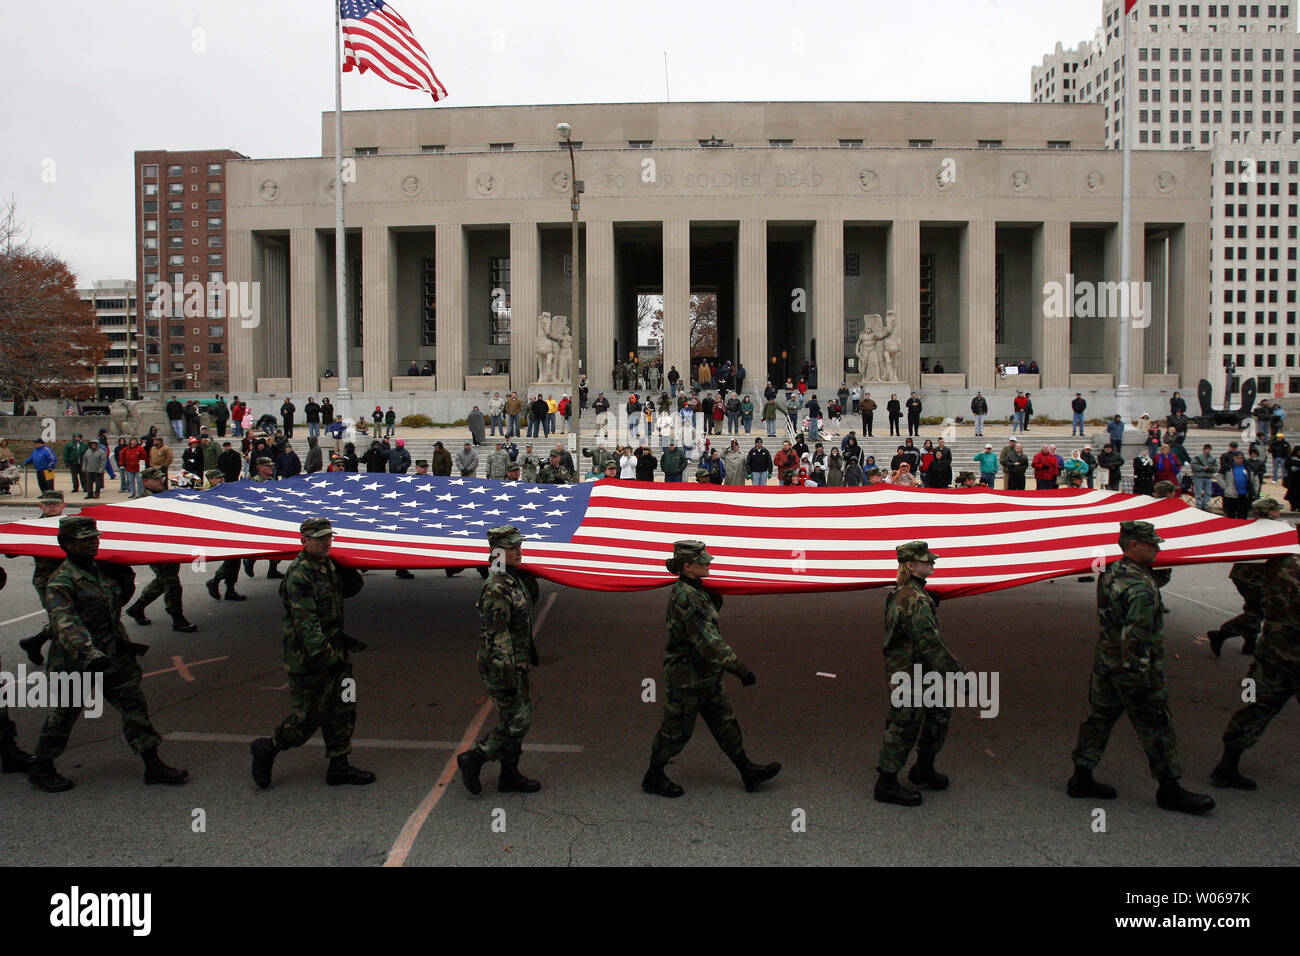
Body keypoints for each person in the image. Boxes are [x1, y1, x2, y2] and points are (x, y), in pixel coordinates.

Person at [27, 516, 188, 792]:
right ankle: (42, 766)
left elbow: (111, 604)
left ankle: (153, 764)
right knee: (65, 713)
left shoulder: (101, 570)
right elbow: (65, 623)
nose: (94, 543)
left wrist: (126, 581)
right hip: (76, 659)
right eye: (86, 540)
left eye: (95, 538)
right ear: (66, 544)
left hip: (114, 651)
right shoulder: (61, 581)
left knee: (133, 705)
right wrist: (90, 654)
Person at [1067, 521, 1214, 814]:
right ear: (1134, 545)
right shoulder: (1140, 590)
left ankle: (1081, 776)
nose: (1157, 548)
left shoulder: (1112, 572)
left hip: (1107, 660)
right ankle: (1170, 789)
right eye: (1152, 544)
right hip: (1133, 668)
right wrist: (1142, 678)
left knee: (1098, 718)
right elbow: (1136, 638)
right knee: (1157, 726)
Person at [641, 540, 779, 797]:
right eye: (702, 561)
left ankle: (747, 770)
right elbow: (710, 643)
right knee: (676, 731)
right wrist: (741, 670)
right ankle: (653, 776)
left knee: (725, 723)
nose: (709, 563)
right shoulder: (687, 598)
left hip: (706, 675)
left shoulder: (697, 590)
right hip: (687, 679)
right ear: (687, 566)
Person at [249, 517, 371, 789]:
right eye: (321, 538)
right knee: (307, 719)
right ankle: (269, 747)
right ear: (304, 541)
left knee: (342, 710)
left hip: (336, 653)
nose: (328, 542)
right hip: (310, 659)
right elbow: (307, 624)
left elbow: (351, 590)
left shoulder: (328, 566)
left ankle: (339, 766)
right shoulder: (299, 575)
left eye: (330, 537)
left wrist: (348, 569)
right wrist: (328, 659)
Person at [1210, 517, 1300, 791]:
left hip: (1272, 651)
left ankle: (1228, 764)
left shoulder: (1281, 560)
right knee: (1258, 706)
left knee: (1257, 707)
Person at [456, 526, 544, 795]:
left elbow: (531, 602)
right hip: (502, 665)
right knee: (518, 722)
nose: (520, 551)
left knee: (514, 720)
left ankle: (509, 774)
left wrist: (527, 577)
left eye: (519, 545)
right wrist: (506, 674)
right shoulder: (496, 587)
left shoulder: (511, 578)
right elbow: (496, 636)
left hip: (516, 662)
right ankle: (475, 758)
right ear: (497, 552)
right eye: (512, 547)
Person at [874, 540, 960, 806]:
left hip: (921, 669)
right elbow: (929, 643)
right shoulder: (913, 598)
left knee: (939, 713)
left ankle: (924, 767)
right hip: (909, 672)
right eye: (926, 560)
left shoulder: (909, 593)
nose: (931, 562)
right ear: (911, 566)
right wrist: (957, 673)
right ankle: (886, 782)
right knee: (904, 724)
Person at [124, 468, 198, 632]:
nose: (160, 482)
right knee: (172, 584)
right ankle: (177, 618)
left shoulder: (166, 496)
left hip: (171, 545)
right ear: (145, 482)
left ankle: (137, 608)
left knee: (161, 582)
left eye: (161, 479)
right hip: (155, 549)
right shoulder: (140, 501)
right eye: (156, 479)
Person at [1206, 497, 1281, 657]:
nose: (1278, 512)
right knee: (1256, 612)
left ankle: (1250, 644)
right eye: (1276, 510)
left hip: (1241, 575)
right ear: (1270, 512)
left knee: (1253, 608)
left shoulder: (1249, 526)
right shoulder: (1276, 529)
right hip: (1256, 578)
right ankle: (1222, 634)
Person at [15, 490, 69, 666]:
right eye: (48, 504)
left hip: (73, 578)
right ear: (41, 506)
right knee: (63, 619)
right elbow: (10, 553)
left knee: (72, 617)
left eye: (55, 503)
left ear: (63, 505)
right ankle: (60, 665)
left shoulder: (71, 524)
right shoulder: (34, 527)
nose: (52, 507)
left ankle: (35, 642)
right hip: (47, 580)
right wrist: (20, 533)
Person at [202, 470, 247, 602]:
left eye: (222, 477)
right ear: (210, 480)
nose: (221, 480)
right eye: (217, 478)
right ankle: (217, 582)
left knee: (234, 561)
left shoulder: (228, 492)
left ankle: (229, 589)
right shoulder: (207, 494)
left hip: (232, 531)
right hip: (220, 533)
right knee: (232, 561)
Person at [1221, 451, 1256, 519]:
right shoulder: (1228, 467)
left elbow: (1255, 479)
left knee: (1243, 515)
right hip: (1232, 495)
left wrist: (1254, 490)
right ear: (1234, 458)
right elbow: (1218, 476)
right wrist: (1226, 487)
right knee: (1231, 515)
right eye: (1237, 458)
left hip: (1244, 495)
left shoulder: (1248, 468)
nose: (1239, 459)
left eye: (1241, 458)